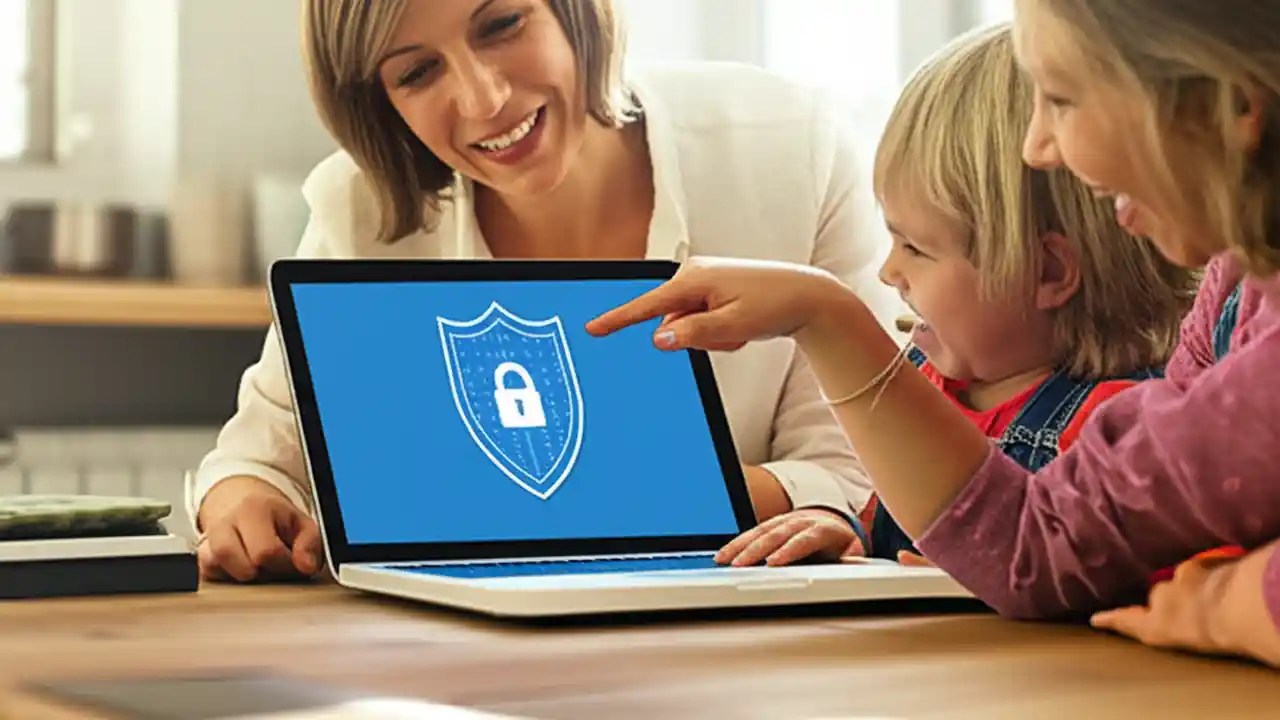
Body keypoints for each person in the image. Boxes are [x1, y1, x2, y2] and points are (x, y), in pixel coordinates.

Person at [587, 0, 1280, 667]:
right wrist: (857, 536)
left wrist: (1223, 603)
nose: (1040, 145)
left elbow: (1038, 547)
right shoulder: (1232, 289)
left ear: (1226, 103)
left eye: (1063, 98)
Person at [187, 0, 904, 582]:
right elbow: (260, 460)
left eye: (501, 25)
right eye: (416, 72)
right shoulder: (362, 207)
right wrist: (247, 503)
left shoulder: (788, 147)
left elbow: (858, 474)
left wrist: (578, 507)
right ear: (379, 101)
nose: (483, 98)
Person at [712, 23, 1197, 569]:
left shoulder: (1125, 432)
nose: (890, 271)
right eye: (891, 238)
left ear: (1049, 272)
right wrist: (842, 532)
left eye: (916, 248)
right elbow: (884, 527)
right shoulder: (924, 385)